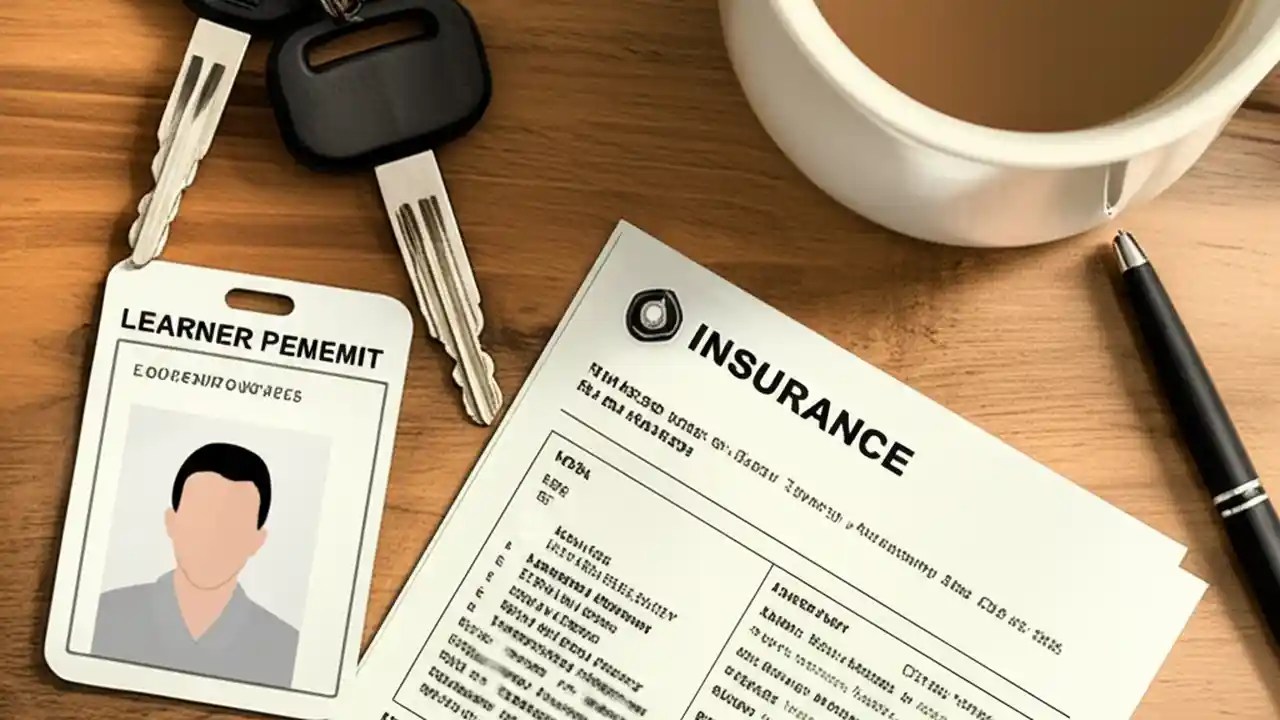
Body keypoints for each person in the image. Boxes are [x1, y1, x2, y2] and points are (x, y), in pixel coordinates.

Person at [92, 443, 298, 689]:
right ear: (171, 522)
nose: (213, 536)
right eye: (201, 514)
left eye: (233, 523)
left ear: (257, 541)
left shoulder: (287, 650)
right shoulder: (104, 616)